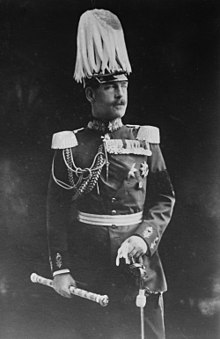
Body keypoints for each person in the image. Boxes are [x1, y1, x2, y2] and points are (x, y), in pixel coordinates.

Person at [47, 9, 175, 339]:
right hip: (89, 268)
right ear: (90, 93)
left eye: (123, 85)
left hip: (139, 267)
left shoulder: (144, 141)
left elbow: (164, 198)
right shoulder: (71, 146)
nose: (120, 94)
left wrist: (142, 239)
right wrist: (60, 270)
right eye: (110, 87)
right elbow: (56, 212)